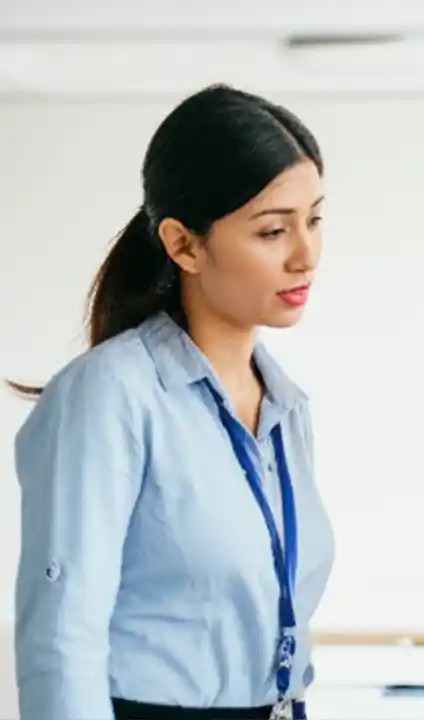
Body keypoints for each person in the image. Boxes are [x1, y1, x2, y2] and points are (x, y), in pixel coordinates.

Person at [11, 84, 334, 720]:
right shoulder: (110, 395)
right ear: (184, 244)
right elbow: (61, 640)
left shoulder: (285, 407)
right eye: (273, 230)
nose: (307, 255)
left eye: (315, 219)